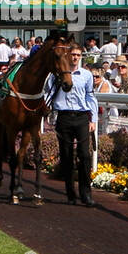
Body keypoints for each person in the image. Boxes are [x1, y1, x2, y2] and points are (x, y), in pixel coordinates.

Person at [45, 45, 98, 206]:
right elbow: (48, 93)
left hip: (82, 117)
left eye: (78, 55)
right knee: (67, 156)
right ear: (68, 56)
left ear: (81, 56)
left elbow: (90, 96)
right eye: (73, 54)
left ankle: (86, 194)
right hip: (64, 117)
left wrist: (93, 119)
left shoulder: (87, 75)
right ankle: (70, 193)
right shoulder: (55, 75)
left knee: (85, 156)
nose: (75, 57)